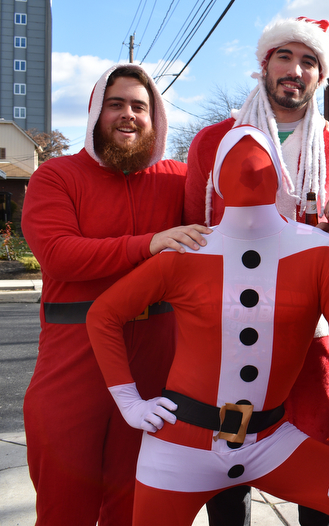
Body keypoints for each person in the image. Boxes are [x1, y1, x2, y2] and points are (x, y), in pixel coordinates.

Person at [85, 125, 329, 526]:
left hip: (271, 439)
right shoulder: (187, 249)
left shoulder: (320, 251)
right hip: (180, 444)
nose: (249, 165)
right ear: (215, 179)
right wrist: (128, 401)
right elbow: (104, 315)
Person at [183, 17, 329, 525]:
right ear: (264, 65)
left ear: (321, 77)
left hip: (310, 333)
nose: (296, 69)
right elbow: (193, 231)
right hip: (228, 329)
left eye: (309, 61)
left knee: (321, 451)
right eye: (284, 57)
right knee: (227, 453)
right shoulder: (213, 141)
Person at [21, 64, 210, 526]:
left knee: (138, 507)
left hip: (156, 367)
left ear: (155, 118)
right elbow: (60, 254)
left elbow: (233, 215)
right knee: (65, 504)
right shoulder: (57, 176)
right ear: (94, 112)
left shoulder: (177, 178)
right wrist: (150, 242)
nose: (129, 115)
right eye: (116, 104)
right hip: (72, 365)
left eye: (139, 107)